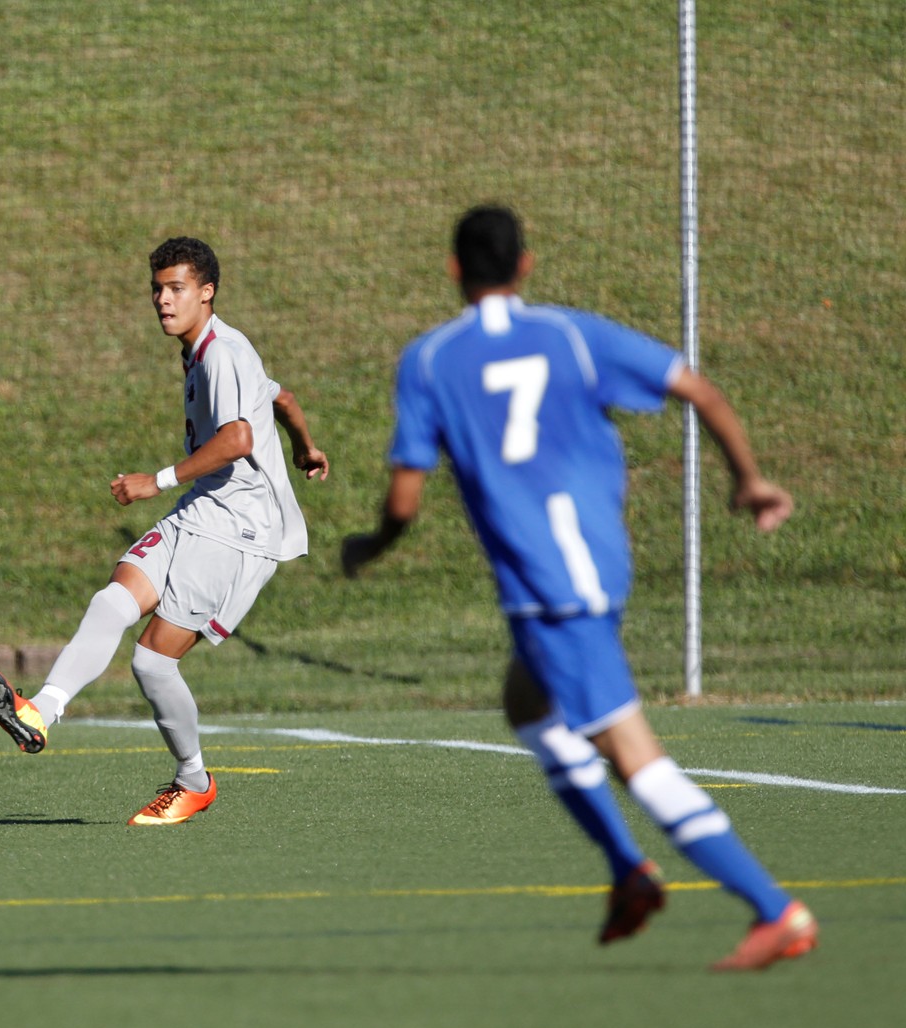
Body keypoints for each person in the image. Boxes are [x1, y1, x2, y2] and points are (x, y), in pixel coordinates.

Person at [341, 205, 815, 971]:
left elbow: (403, 501)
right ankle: (629, 869)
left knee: (635, 757)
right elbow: (698, 389)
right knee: (526, 702)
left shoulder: (429, 360)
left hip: (549, 586)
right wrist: (749, 479)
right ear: (526, 265)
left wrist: (370, 545)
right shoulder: (572, 334)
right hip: (597, 566)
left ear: (453, 269)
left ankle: (774, 908)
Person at [0, 236, 329, 825]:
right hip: (203, 510)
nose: (163, 300)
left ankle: (194, 781)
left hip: (239, 532)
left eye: (177, 289)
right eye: (157, 289)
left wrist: (157, 481)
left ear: (206, 293)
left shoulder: (221, 354)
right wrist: (306, 447)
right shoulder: (207, 348)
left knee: (152, 664)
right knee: (112, 600)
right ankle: (40, 710)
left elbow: (238, 438)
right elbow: (283, 398)